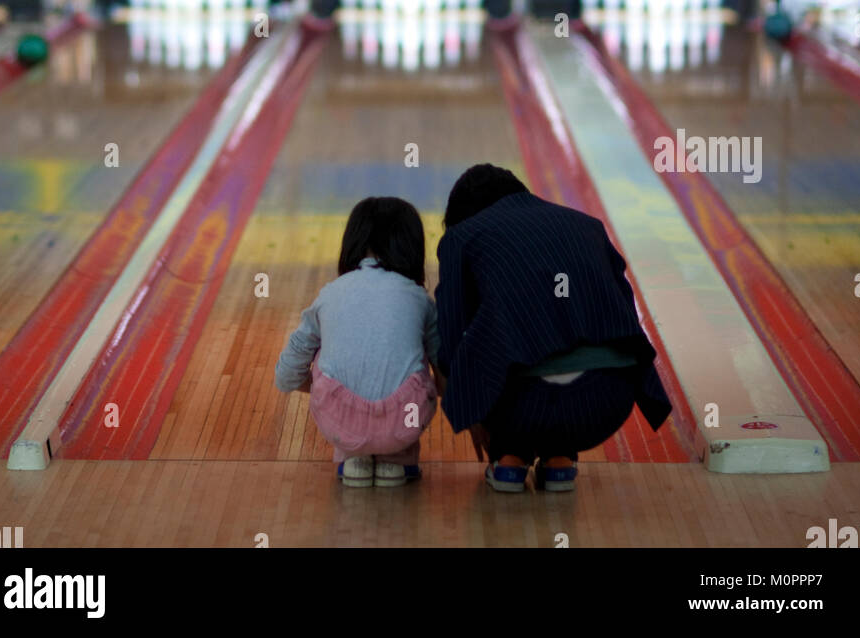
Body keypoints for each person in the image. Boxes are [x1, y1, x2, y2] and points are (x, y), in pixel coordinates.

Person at [436, 164, 672, 493]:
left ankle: (508, 459)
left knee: (481, 349)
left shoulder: (462, 237)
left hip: (518, 409)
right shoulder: (590, 227)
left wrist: (466, 403)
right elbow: (626, 313)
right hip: (606, 403)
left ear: (464, 214)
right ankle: (559, 459)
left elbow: (449, 340)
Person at [275, 196, 441, 487]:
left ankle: (352, 456)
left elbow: (287, 374)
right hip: (405, 423)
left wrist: (320, 389)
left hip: (338, 423)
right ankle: (397, 459)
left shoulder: (329, 294)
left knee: (329, 364)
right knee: (418, 366)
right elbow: (444, 370)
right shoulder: (419, 299)